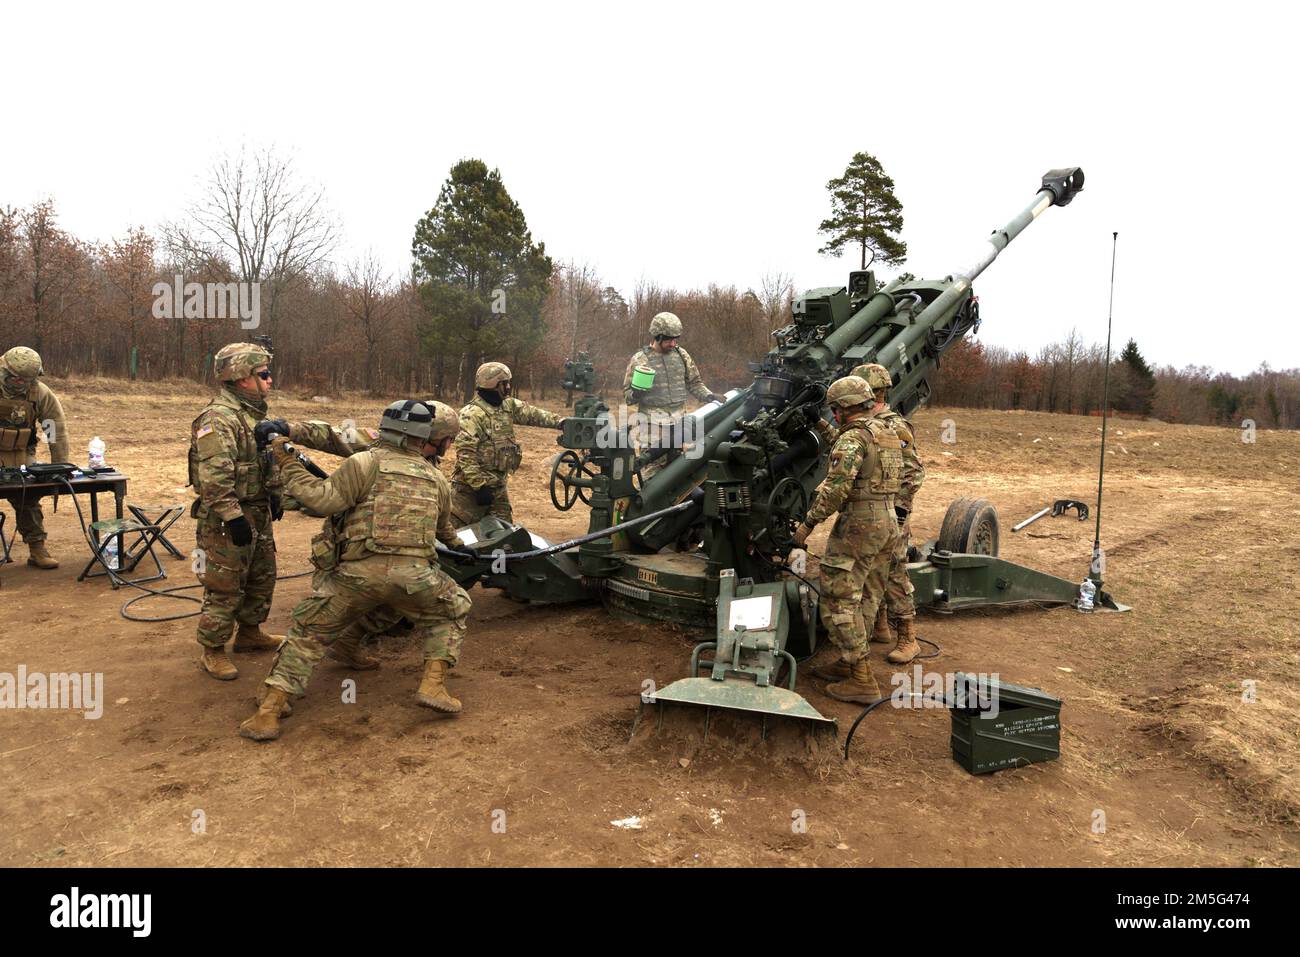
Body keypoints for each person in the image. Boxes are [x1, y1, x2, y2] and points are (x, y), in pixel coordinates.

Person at [239, 400, 472, 742]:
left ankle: (269, 711)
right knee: (454, 608)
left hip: (354, 576)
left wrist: (285, 459)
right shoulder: (436, 477)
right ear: (425, 438)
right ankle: (433, 685)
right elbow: (445, 531)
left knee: (308, 634)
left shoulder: (363, 462)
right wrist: (463, 549)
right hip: (415, 578)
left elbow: (321, 501)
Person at [189, 342, 372, 681]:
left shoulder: (254, 415)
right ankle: (212, 649)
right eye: (264, 374)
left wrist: (274, 495)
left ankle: (249, 633)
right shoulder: (218, 419)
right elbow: (213, 477)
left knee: (261, 576)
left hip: (256, 510)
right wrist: (232, 516)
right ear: (243, 378)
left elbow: (264, 462)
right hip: (228, 519)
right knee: (226, 584)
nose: (271, 379)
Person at [790, 375, 905, 704]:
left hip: (859, 528)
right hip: (887, 523)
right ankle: (849, 662)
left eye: (835, 410)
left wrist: (807, 526)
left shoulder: (854, 439)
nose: (834, 416)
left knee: (839, 599)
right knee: (868, 596)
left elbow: (836, 489)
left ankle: (862, 680)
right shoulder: (887, 432)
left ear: (844, 408)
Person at [852, 362, 926, 664]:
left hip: (891, 511)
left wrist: (898, 512)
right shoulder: (868, 423)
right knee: (871, 568)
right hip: (873, 512)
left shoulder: (894, 426)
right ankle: (880, 626)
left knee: (894, 569)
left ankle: (908, 637)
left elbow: (914, 472)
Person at [449, 362, 564, 525]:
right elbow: (466, 455)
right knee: (459, 534)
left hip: (498, 487)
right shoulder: (472, 414)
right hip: (469, 490)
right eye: (504, 383)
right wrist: (479, 486)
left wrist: (561, 422)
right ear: (492, 384)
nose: (509, 387)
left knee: (505, 535)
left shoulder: (507, 405)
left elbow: (532, 414)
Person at [621, 312, 725, 480]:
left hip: (680, 425)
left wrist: (710, 396)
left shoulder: (681, 355)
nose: (673, 343)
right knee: (652, 477)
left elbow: (694, 382)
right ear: (658, 337)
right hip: (652, 428)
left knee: (682, 473)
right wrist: (637, 392)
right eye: (669, 339)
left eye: (675, 339)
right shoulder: (640, 360)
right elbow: (628, 397)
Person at [0, 347, 70, 569]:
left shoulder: (39, 393)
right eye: (16, 379)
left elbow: (55, 430)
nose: (21, 384)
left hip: (21, 453)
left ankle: (37, 548)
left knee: (28, 496)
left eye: (27, 380)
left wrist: (58, 466)